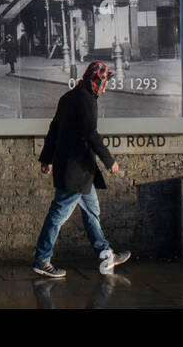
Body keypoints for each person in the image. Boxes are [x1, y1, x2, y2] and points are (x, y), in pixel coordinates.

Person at [32, 61, 130, 278]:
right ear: (94, 81)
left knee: (91, 212)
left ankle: (105, 255)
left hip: (78, 171)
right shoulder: (86, 100)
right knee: (58, 215)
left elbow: (54, 129)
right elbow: (90, 134)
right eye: (102, 82)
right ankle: (42, 258)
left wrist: (47, 158)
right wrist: (109, 160)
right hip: (75, 171)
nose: (104, 86)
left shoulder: (68, 97)